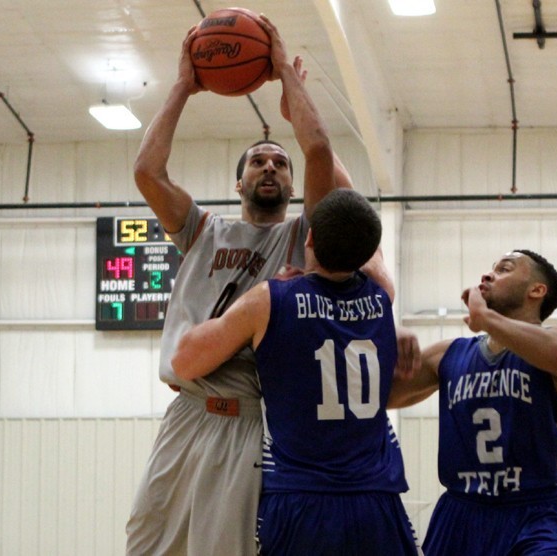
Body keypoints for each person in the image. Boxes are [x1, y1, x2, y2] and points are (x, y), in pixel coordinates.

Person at [124, 13, 390, 556]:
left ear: (294, 186)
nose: (270, 167)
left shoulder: (305, 238)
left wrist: (284, 73)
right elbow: (148, 172)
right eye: (258, 161)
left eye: (280, 164)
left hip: (246, 420)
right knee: (145, 543)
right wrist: (184, 86)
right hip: (185, 411)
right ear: (238, 181)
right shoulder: (202, 230)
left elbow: (319, 150)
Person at [172, 188, 418, 555]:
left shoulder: (272, 298)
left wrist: (254, 302)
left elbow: (184, 361)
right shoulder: (381, 299)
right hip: (376, 499)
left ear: (310, 238)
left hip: (300, 500)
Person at [388, 250, 557, 555]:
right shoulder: (448, 354)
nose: (487, 275)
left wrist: (487, 320)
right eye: (491, 269)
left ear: (537, 290)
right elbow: (375, 397)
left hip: (537, 515)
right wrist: (385, 331)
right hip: (460, 513)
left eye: (505, 269)